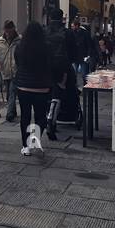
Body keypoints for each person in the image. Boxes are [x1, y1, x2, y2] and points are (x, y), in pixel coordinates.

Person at [13, 22, 53, 156]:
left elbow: (18, 63)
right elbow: (49, 65)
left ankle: (25, 146)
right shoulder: (46, 47)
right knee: (40, 116)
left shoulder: (20, 47)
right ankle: (34, 139)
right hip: (41, 87)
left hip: (23, 86)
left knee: (25, 116)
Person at [44, 8, 77, 136]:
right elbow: (74, 52)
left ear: (49, 18)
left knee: (47, 92)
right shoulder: (67, 33)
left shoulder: (44, 31)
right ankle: (51, 118)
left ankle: (47, 115)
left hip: (45, 68)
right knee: (58, 92)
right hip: (62, 67)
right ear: (62, 18)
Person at [0, 20, 19, 122]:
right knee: (8, 93)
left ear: (13, 29)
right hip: (5, 71)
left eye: (10, 31)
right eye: (7, 31)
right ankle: (13, 110)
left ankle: (10, 114)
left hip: (17, 71)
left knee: (12, 91)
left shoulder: (19, 40)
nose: (8, 34)